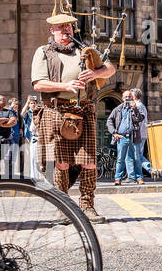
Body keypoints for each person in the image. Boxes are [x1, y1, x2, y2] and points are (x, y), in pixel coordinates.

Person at [31, 12, 116, 222]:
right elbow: (38, 84)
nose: (66, 30)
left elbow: (111, 68)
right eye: (61, 28)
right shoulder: (43, 52)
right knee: (61, 163)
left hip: (83, 111)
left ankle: (87, 206)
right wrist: (65, 86)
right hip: (56, 110)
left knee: (89, 162)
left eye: (69, 26)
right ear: (53, 31)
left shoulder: (85, 51)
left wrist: (97, 73)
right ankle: (64, 208)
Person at [107, 93, 142, 185]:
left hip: (133, 137)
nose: (128, 98)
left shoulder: (136, 108)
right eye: (126, 97)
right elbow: (109, 120)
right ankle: (118, 178)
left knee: (137, 158)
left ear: (132, 98)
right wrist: (114, 133)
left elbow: (140, 118)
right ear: (123, 98)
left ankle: (139, 178)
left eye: (129, 96)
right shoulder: (118, 109)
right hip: (122, 138)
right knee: (120, 159)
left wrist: (135, 108)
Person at [0, 94, 20, 178]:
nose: (5, 101)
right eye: (3, 100)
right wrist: (6, 119)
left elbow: (13, 121)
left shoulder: (9, 112)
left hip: (7, 140)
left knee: (8, 163)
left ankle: (8, 181)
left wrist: (1, 125)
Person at [130, 89, 152, 177]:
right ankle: (137, 173)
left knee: (137, 155)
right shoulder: (142, 105)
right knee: (138, 155)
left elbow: (137, 120)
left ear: (134, 97)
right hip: (142, 133)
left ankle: (151, 169)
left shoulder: (138, 106)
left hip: (139, 134)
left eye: (131, 96)